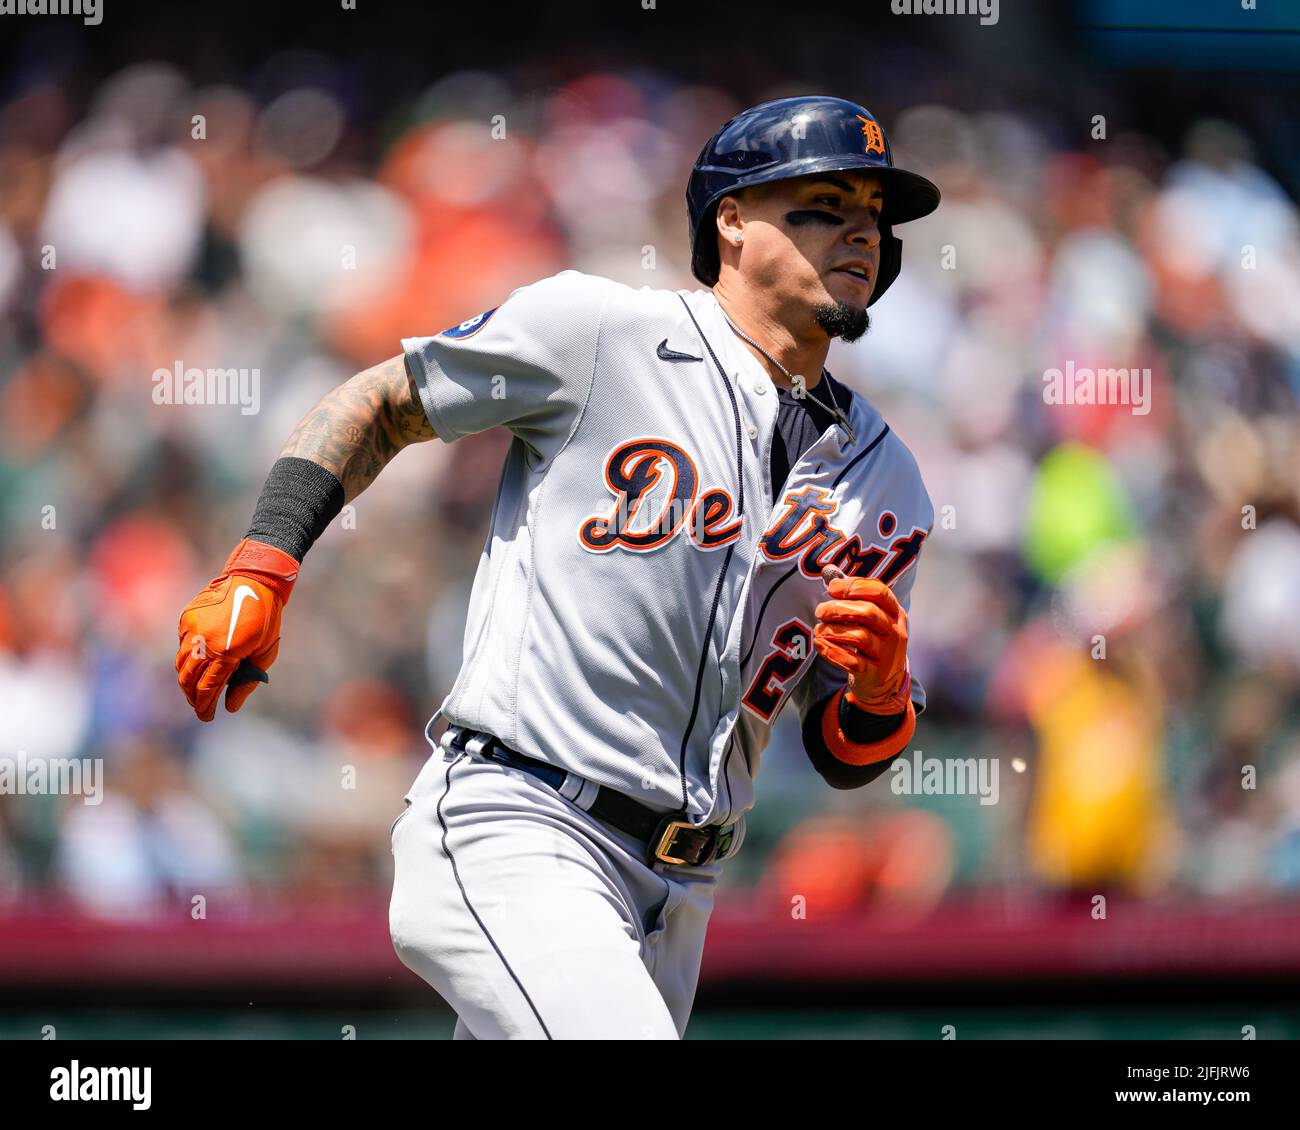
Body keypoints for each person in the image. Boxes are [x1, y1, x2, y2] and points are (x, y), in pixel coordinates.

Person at [175, 95, 940, 1039]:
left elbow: (841, 747)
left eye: (874, 213)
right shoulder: (600, 334)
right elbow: (382, 403)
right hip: (521, 822)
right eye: (825, 203)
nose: (860, 230)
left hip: (682, 890)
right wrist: (265, 563)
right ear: (732, 222)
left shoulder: (889, 478)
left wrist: (881, 690)